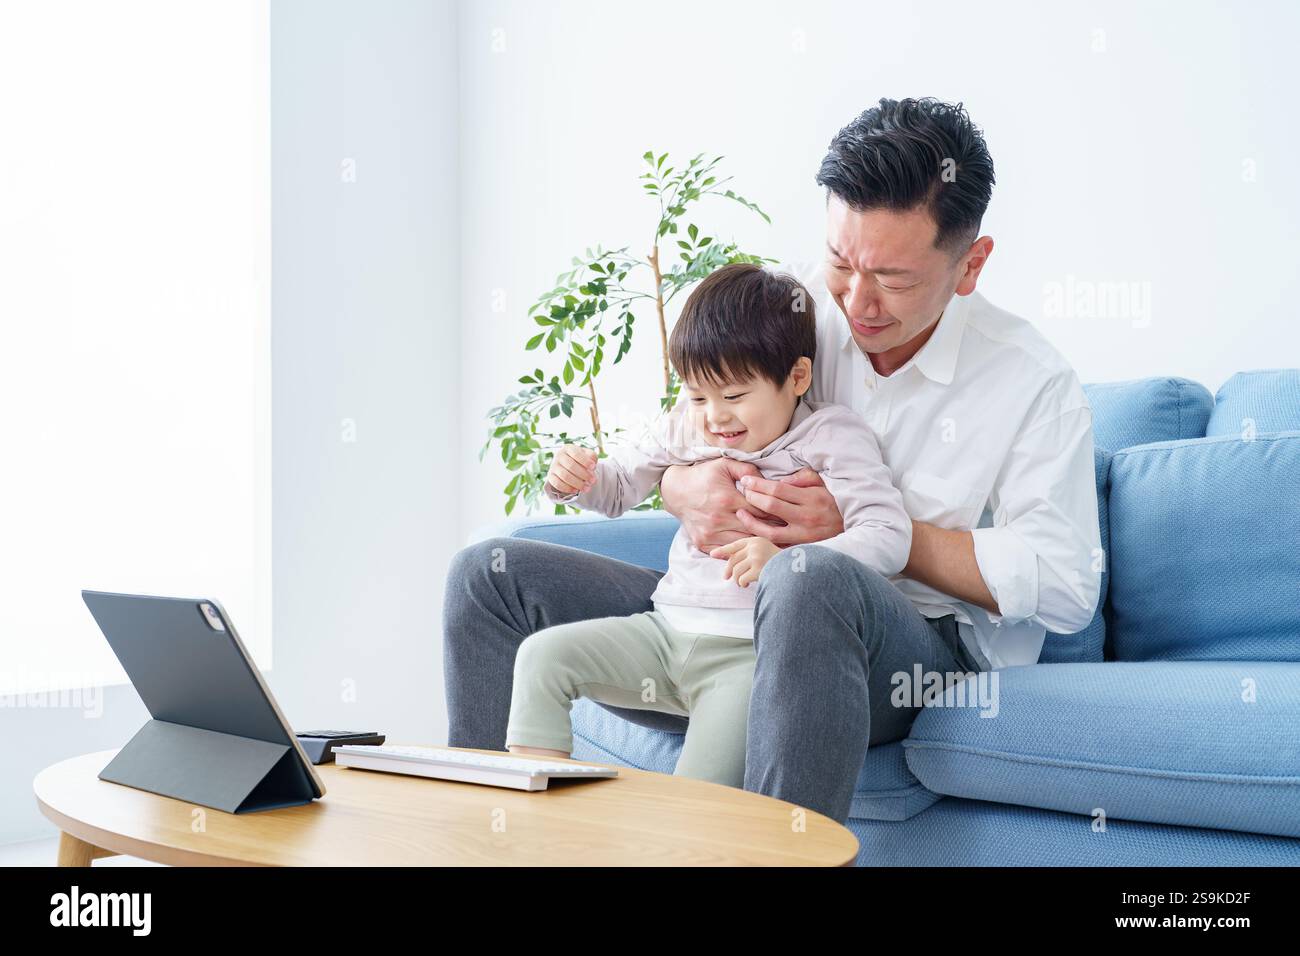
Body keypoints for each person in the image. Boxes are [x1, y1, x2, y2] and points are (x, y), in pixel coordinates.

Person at [445, 97, 1101, 824]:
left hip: (908, 653)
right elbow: (694, 422)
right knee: (488, 577)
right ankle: (490, 840)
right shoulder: (794, 310)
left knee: (808, 576)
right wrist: (679, 489)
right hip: (724, 617)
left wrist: (877, 536)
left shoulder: (1030, 381)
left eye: (894, 278)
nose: (857, 300)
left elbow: (1070, 588)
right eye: (841, 262)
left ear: (970, 264)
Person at [503, 263, 913, 788]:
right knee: (542, 657)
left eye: (735, 395)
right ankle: (533, 826)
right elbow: (618, 487)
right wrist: (574, 480)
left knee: (692, 805)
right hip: (662, 635)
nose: (715, 416)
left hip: (746, 661)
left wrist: (791, 562)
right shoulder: (685, 424)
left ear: (798, 377)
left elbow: (887, 534)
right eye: (698, 395)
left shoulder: (832, 435)